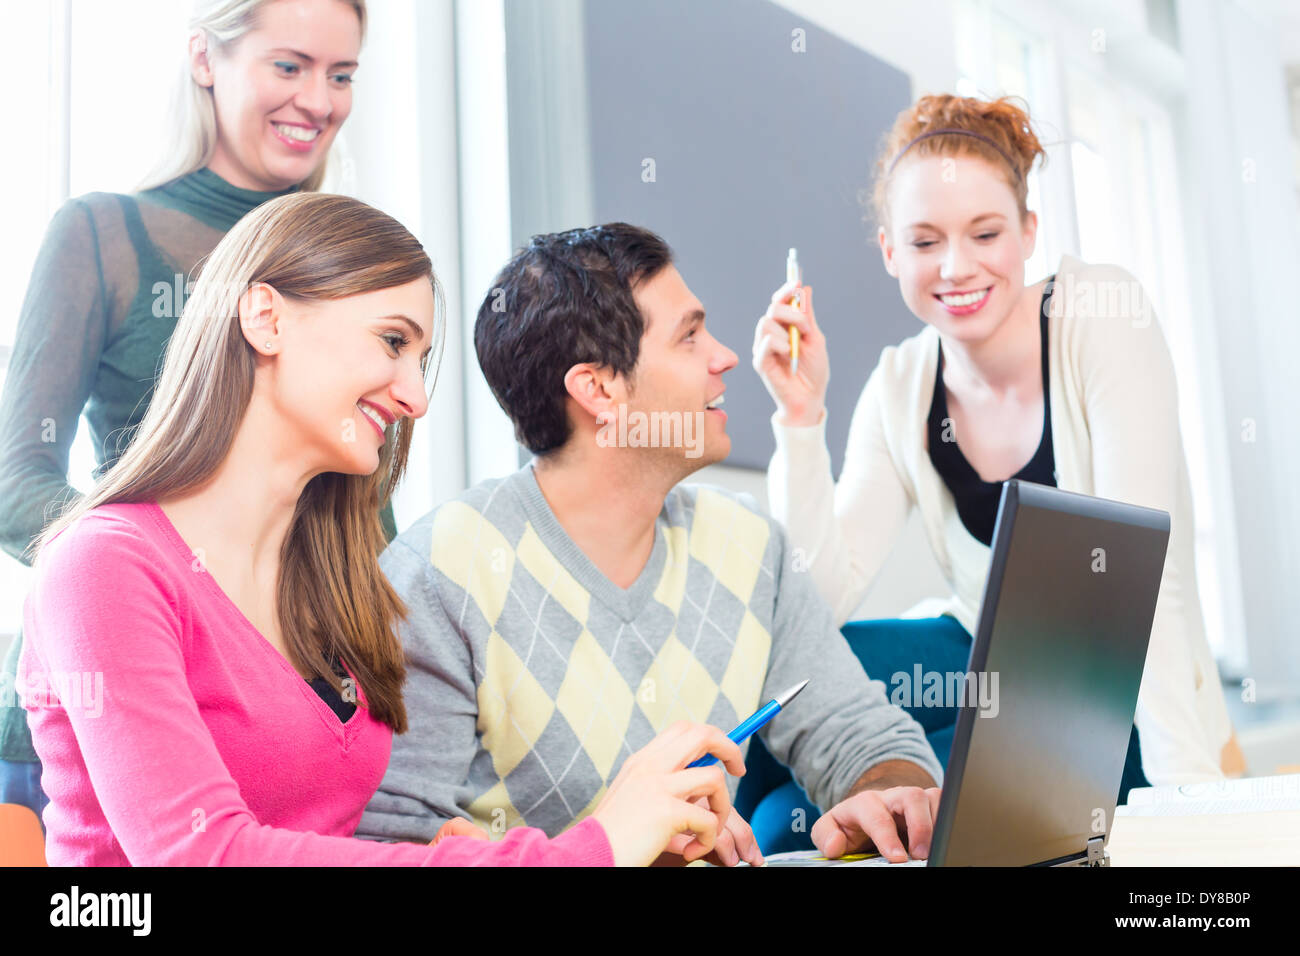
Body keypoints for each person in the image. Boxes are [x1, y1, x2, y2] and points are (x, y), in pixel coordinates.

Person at [17, 193, 742, 867]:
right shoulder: (102, 567)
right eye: (392, 340)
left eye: (420, 359)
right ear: (265, 317)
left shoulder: (329, 581)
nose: (416, 397)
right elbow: (204, 857)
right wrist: (594, 847)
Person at [357, 223, 946, 866]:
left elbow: (863, 737)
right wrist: (615, 851)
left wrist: (890, 796)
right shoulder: (440, 573)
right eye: (690, 336)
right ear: (598, 390)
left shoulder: (752, 550)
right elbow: (389, 848)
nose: (724, 357)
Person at [753, 93, 1232, 797]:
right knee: (791, 688)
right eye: (924, 242)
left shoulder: (1101, 317)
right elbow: (816, 602)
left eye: (985, 234)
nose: (955, 268)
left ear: (1027, 231)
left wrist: (1189, 795)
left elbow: (1142, 575)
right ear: (890, 251)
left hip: (1109, 684)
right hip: (980, 668)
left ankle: (908, 800)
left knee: (844, 806)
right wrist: (800, 419)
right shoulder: (899, 387)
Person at [0, 0, 400, 821]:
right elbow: (15, 480)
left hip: (290, 723)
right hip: (95, 716)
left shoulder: (356, 263)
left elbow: (364, 516)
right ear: (205, 60)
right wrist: (172, 582)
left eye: (342, 74)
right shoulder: (103, 234)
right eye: (289, 66)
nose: (319, 101)